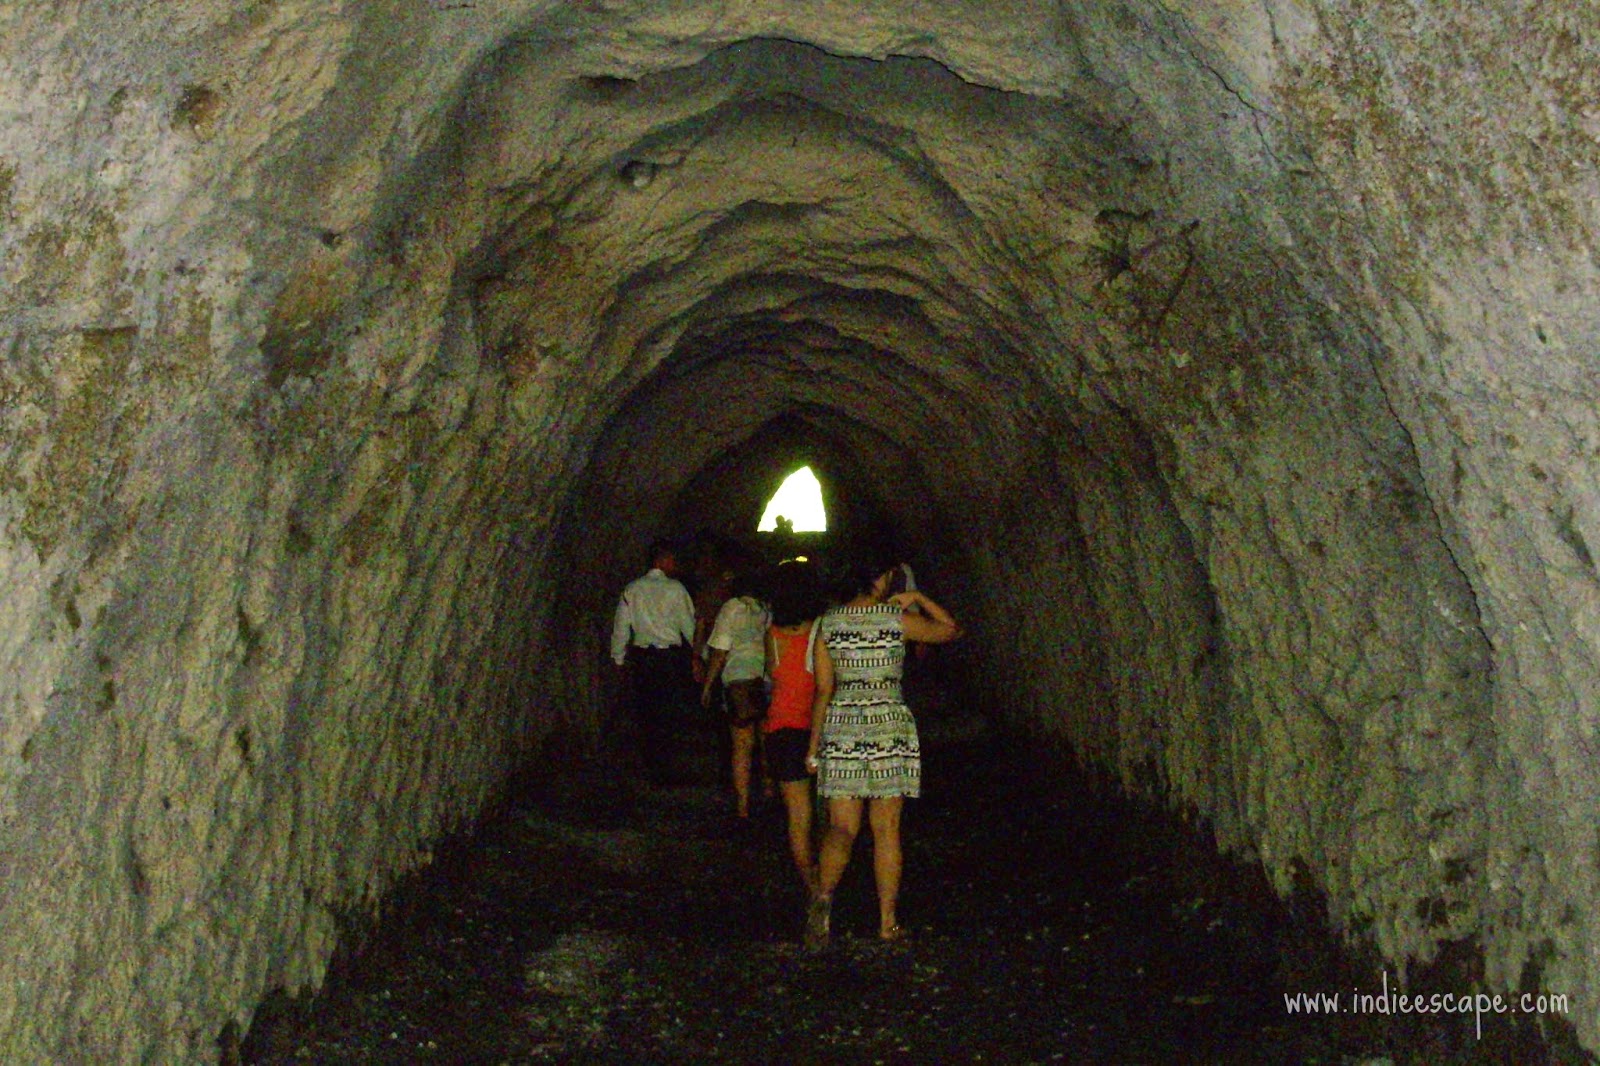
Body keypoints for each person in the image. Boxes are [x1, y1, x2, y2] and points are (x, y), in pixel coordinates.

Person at [804, 560, 961, 948]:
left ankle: (822, 900)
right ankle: (887, 922)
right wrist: (919, 598)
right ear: (884, 578)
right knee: (887, 828)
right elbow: (950, 630)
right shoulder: (895, 618)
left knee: (841, 828)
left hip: (842, 727)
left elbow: (824, 689)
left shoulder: (829, 623)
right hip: (888, 724)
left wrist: (814, 747)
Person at [610, 539, 697, 783]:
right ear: (660, 560)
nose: (675, 564)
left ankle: (651, 762)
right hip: (669, 658)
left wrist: (618, 657)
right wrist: (700, 655)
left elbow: (621, 627)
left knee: (647, 710)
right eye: (671, 559)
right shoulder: (676, 589)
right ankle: (667, 764)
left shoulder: (632, 589)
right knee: (669, 709)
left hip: (643, 657)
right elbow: (688, 625)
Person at [762, 561, 825, 894]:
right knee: (829, 812)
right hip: (819, 726)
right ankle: (829, 877)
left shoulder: (771, 635)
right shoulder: (820, 631)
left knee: (798, 816)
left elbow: (772, 675)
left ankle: (811, 884)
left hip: (782, 729)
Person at [700, 573, 771, 818]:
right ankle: (770, 793)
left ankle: (742, 807)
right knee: (764, 742)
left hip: (738, 679)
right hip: (762, 679)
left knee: (741, 746)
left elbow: (720, 649)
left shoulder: (732, 608)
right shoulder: (764, 609)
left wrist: (708, 685)